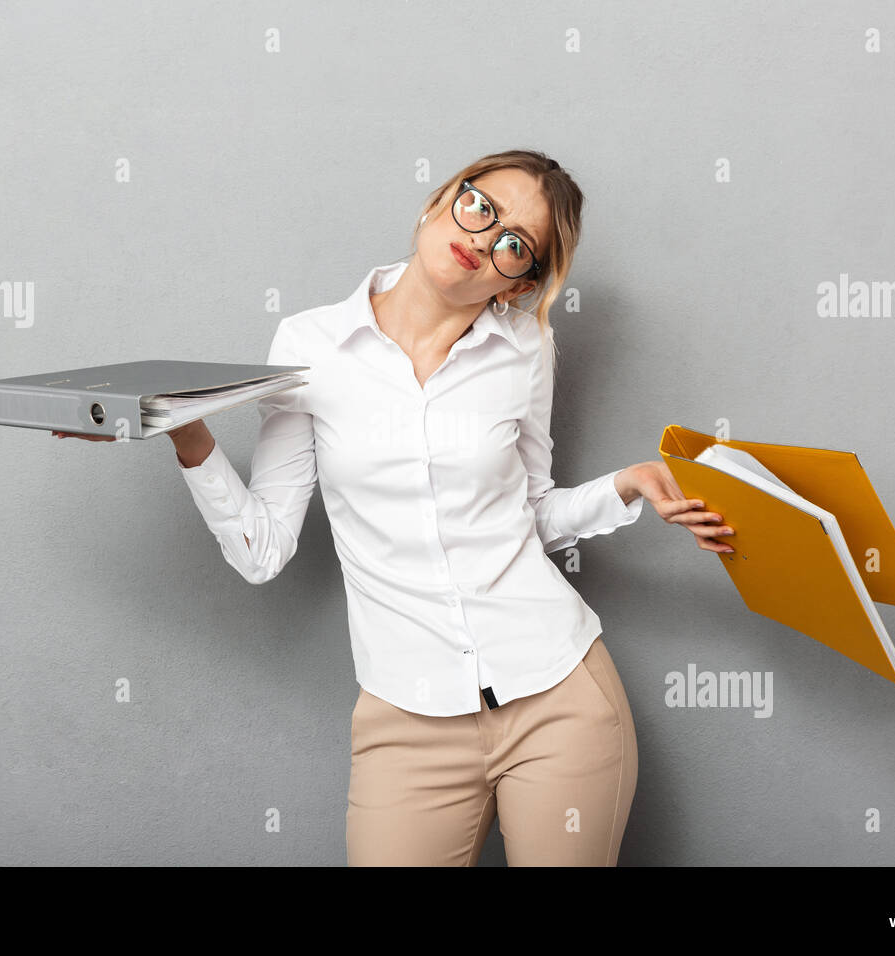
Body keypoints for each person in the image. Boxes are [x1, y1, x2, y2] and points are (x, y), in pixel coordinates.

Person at [56, 149, 736, 865]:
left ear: (520, 283)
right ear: (441, 199)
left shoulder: (528, 348)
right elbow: (261, 551)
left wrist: (623, 486)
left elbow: (526, 513)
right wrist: (188, 435)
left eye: (514, 246)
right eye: (481, 207)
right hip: (405, 719)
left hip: (560, 698)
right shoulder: (309, 346)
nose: (482, 239)